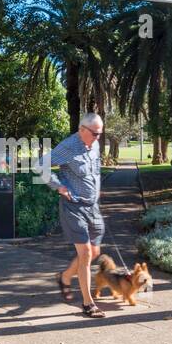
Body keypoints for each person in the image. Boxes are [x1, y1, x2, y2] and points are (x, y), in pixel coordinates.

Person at [40, 112, 106, 318]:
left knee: (94, 252)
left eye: (100, 134)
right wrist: (58, 186)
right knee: (85, 253)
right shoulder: (68, 147)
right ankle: (88, 304)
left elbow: (94, 171)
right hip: (73, 206)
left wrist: (96, 190)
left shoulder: (94, 144)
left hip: (92, 206)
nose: (98, 138)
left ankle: (65, 277)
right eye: (94, 133)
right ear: (82, 130)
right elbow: (39, 165)